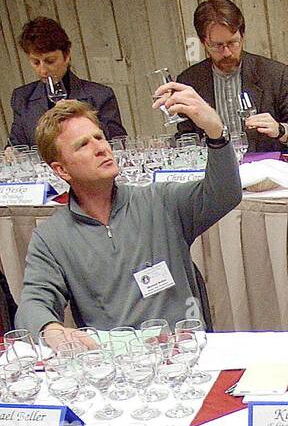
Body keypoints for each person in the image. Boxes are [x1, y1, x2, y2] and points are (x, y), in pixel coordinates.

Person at [15, 87, 241, 348]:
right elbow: (32, 305)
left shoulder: (160, 201)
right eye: (83, 145)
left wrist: (215, 132)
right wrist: (50, 330)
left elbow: (225, 194)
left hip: (186, 352)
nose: (100, 148)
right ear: (61, 170)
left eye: (99, 137)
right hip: (120, 364)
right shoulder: (51, 238)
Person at [176, 0, 288, 154]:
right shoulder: (189, 81)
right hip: (215, 172)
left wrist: (281, 130)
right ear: (203, 43)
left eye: (233, 42)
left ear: (242, 36)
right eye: (217, 46)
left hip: (266, 171)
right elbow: (186, 138)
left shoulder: (275, 74)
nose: (227, 52)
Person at [6, 17, 126, 150]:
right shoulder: (22, 97)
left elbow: (118, 144)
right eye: (35, 62)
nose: (43, 70)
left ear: (67, 55)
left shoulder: (100, 95)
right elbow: (17, 144)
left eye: (50, 61)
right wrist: (11, 152)